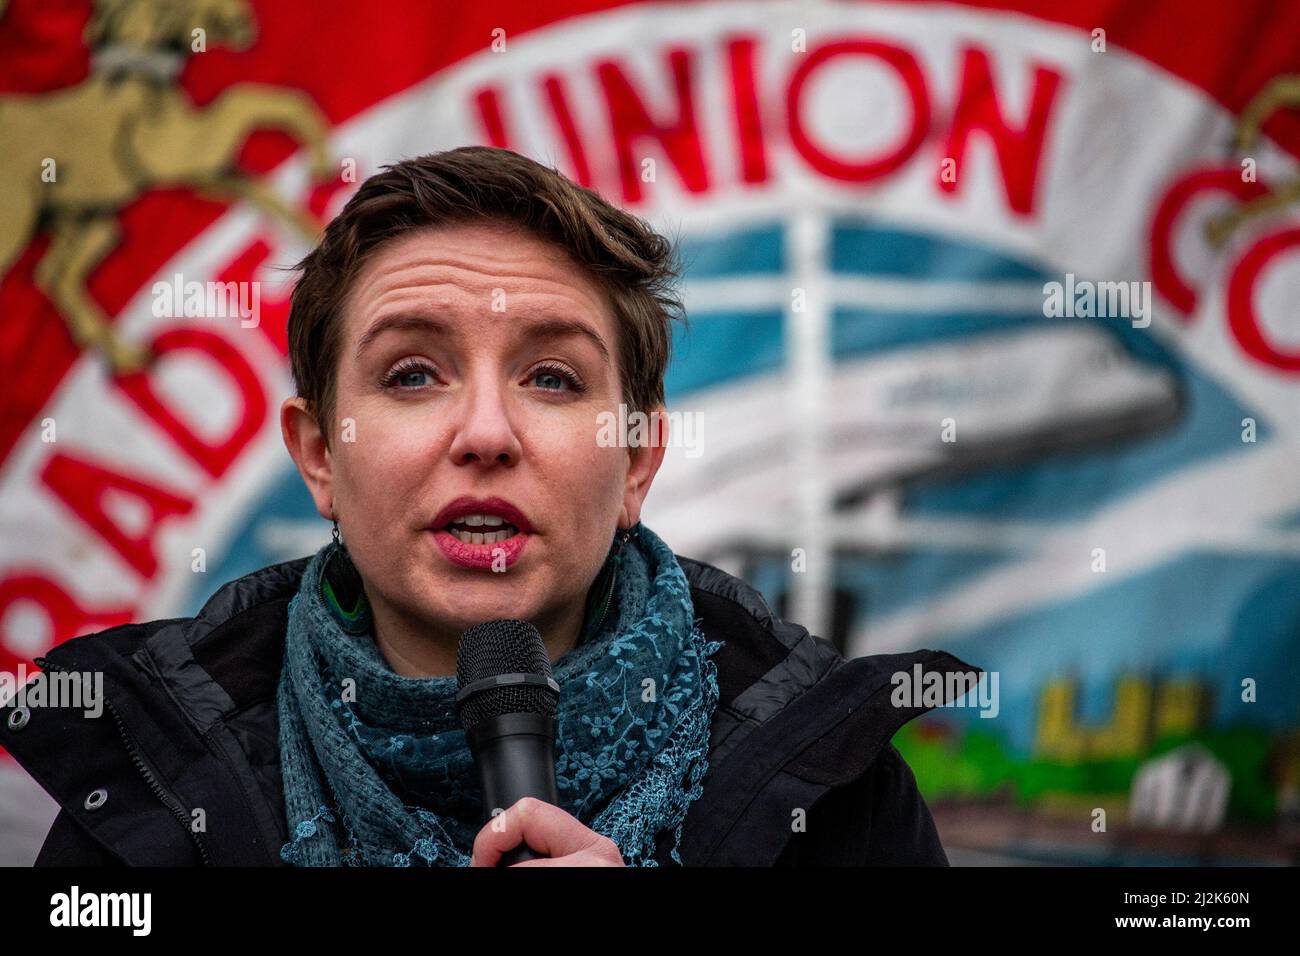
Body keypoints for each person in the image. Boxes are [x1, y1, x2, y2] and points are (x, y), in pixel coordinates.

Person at [1, 146, 976, 866]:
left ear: (634, 459)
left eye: (552, 378)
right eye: (414, 372)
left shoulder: (830, 783)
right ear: (320, 454)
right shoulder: (143, 780)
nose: (485, 431)